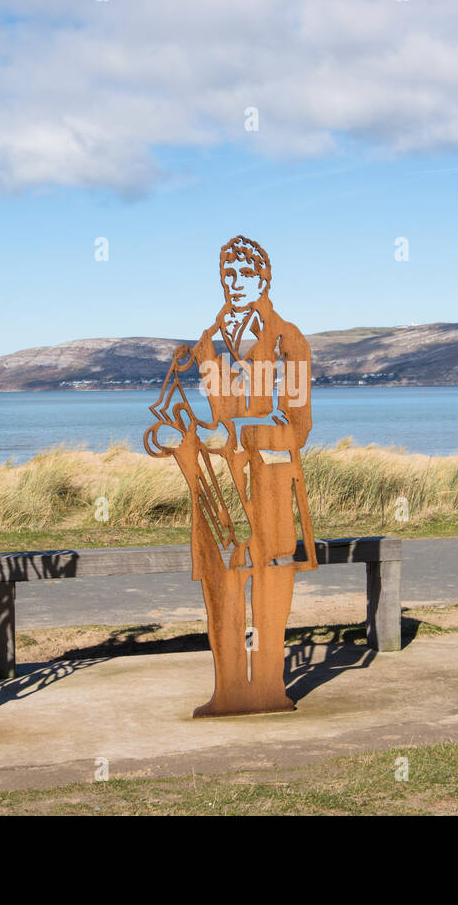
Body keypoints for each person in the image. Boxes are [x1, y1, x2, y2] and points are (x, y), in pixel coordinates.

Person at [145, 236, 315, 716]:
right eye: (227, 275)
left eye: (244, 274)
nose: (234, 283)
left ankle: (267, 685)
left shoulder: (288, 340)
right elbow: (202, 416)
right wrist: (183, 433)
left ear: (264, 277)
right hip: (216, 484)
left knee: (271, 583)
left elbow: (298, 425)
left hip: (271, 485)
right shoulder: (205, 343)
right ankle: (227, 689)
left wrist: (236, 432)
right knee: (221, 583)